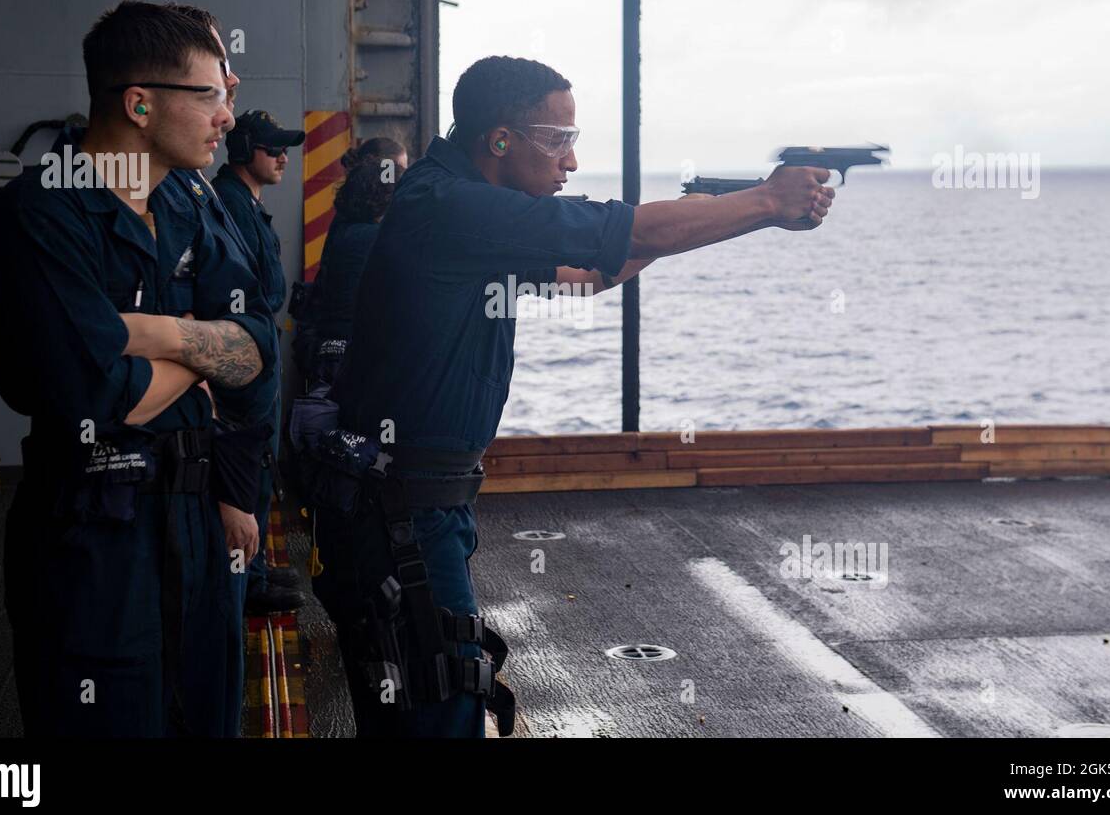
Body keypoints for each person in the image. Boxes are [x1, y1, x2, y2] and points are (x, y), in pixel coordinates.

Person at [309, 55, 834, 737]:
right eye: (557, 139)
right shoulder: (450, 205)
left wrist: (712, 218)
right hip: (402, 510)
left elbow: (585, 274)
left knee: (430, 700)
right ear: (499, 140)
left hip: (418, 502)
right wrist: (767, 201)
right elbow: (629, 231)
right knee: (437, 711)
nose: (572, 160)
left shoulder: (465, 206)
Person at [0, 1, 278, 737]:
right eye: (210, 96)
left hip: (196, 523)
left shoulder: (189, 202)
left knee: (206, 718)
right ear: (139, 103)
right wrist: (202, 353)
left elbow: (259, 350)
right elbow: (96, 393)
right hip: (94, 536)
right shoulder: (40, 216)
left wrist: (156, 333)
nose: (227, 117)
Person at [208, 109, 307, 617]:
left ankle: (255, 572)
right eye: (273, 149)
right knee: (247, 475)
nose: (283, 157)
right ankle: (243, 584)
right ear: (244, 150)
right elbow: (250, 289)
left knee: (261, 471)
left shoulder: (245, 202)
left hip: (259, 353)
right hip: (247, 359)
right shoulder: (229, 202)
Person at [292, 156, 401, 391]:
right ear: (385, 198)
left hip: (327, 352)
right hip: (354, 356)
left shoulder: (342, 230)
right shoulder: (375, 238)